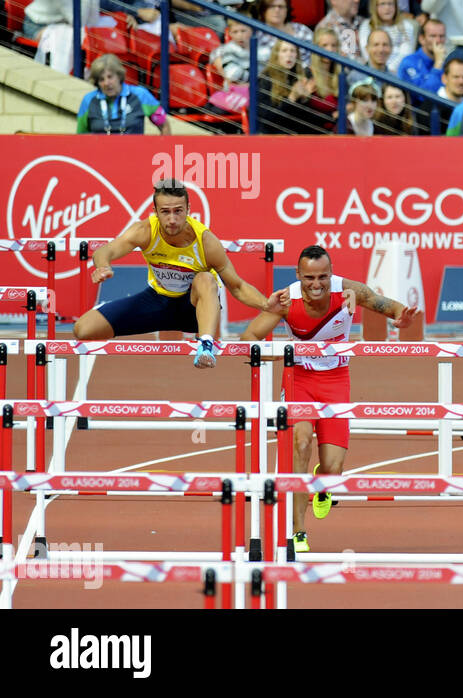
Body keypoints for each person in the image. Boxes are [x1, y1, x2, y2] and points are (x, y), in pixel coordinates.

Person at [241, 245, 417, 553]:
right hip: (299, 379)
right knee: (301, 441)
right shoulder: (286, 300)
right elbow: (249, 338)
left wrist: (401, 320)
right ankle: (297, 531)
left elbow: (395, 310)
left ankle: (321, 484)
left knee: (332, 468)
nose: (317, 284)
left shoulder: (351, 291)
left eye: (323, 276)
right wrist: (277, 357)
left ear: (331, 274)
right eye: (309, 277)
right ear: (298, 275)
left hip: (336, 381)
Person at [74, 179, 270, 367]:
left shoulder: (206, 241)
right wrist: (103, 266)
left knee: (205, 278)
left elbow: (237, 286)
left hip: (193, 309)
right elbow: (104, 251)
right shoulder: (145, 231)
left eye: (178, 211)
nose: (173, 219)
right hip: (156, 302)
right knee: (83, 329)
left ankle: (205, 345)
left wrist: (266, 304)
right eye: (165, 212)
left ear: (188, 209)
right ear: (155, 212)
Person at [77, 55, 170, 135]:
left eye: (110, 77)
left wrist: (162, 150)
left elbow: (164, 125)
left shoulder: (141, 95)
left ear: (119, 76)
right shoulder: (88, 100)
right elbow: (81, 136)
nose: (107, 83)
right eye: (101, 79)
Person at [360, 0, 419, 73]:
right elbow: (366, 51)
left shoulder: (407, 26)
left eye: (390, 4)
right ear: (375, 7)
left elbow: (405, 54)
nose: (387, 8)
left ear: (396, 6)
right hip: (373, 71)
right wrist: (380, 69)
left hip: (398, 73)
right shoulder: (367, 25)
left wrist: (388, 72)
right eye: (382, 4)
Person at [250, 0, 314, 67]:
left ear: (287, 9)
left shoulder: (302, 29)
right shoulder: (256, 35)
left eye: (281, 6)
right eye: (272, 6)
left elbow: (316, 57)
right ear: (263, 9)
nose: (277, 10)